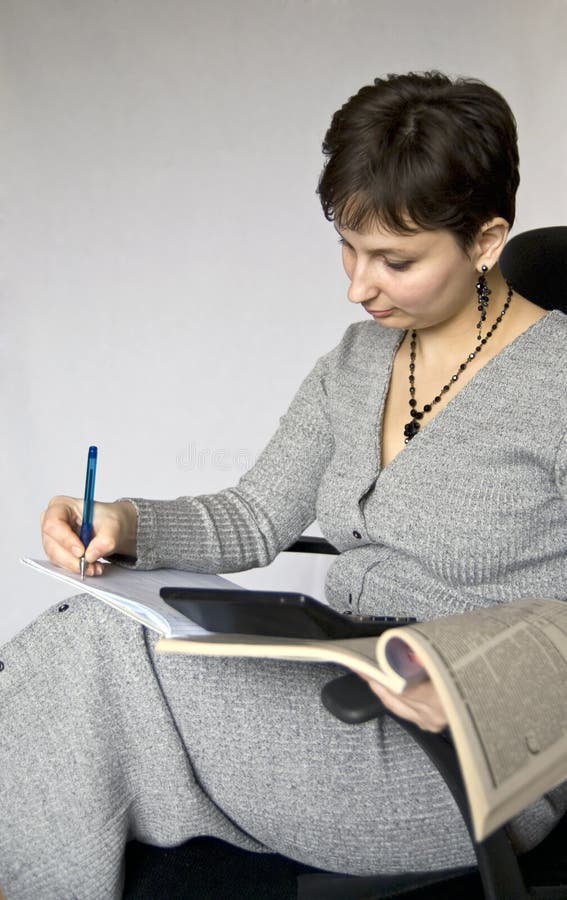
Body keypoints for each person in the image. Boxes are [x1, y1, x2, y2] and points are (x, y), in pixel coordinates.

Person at [2, 71, 567, 898]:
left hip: (476, 745)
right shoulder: (355, 361)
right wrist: (123, 522)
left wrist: (469, 675)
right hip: (340, 682)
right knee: (82, 655)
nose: (356, 285)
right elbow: (256, 515)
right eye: (347, 245)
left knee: (89, 659)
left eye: (394, 260)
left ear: (485, 240)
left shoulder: (556, 381)